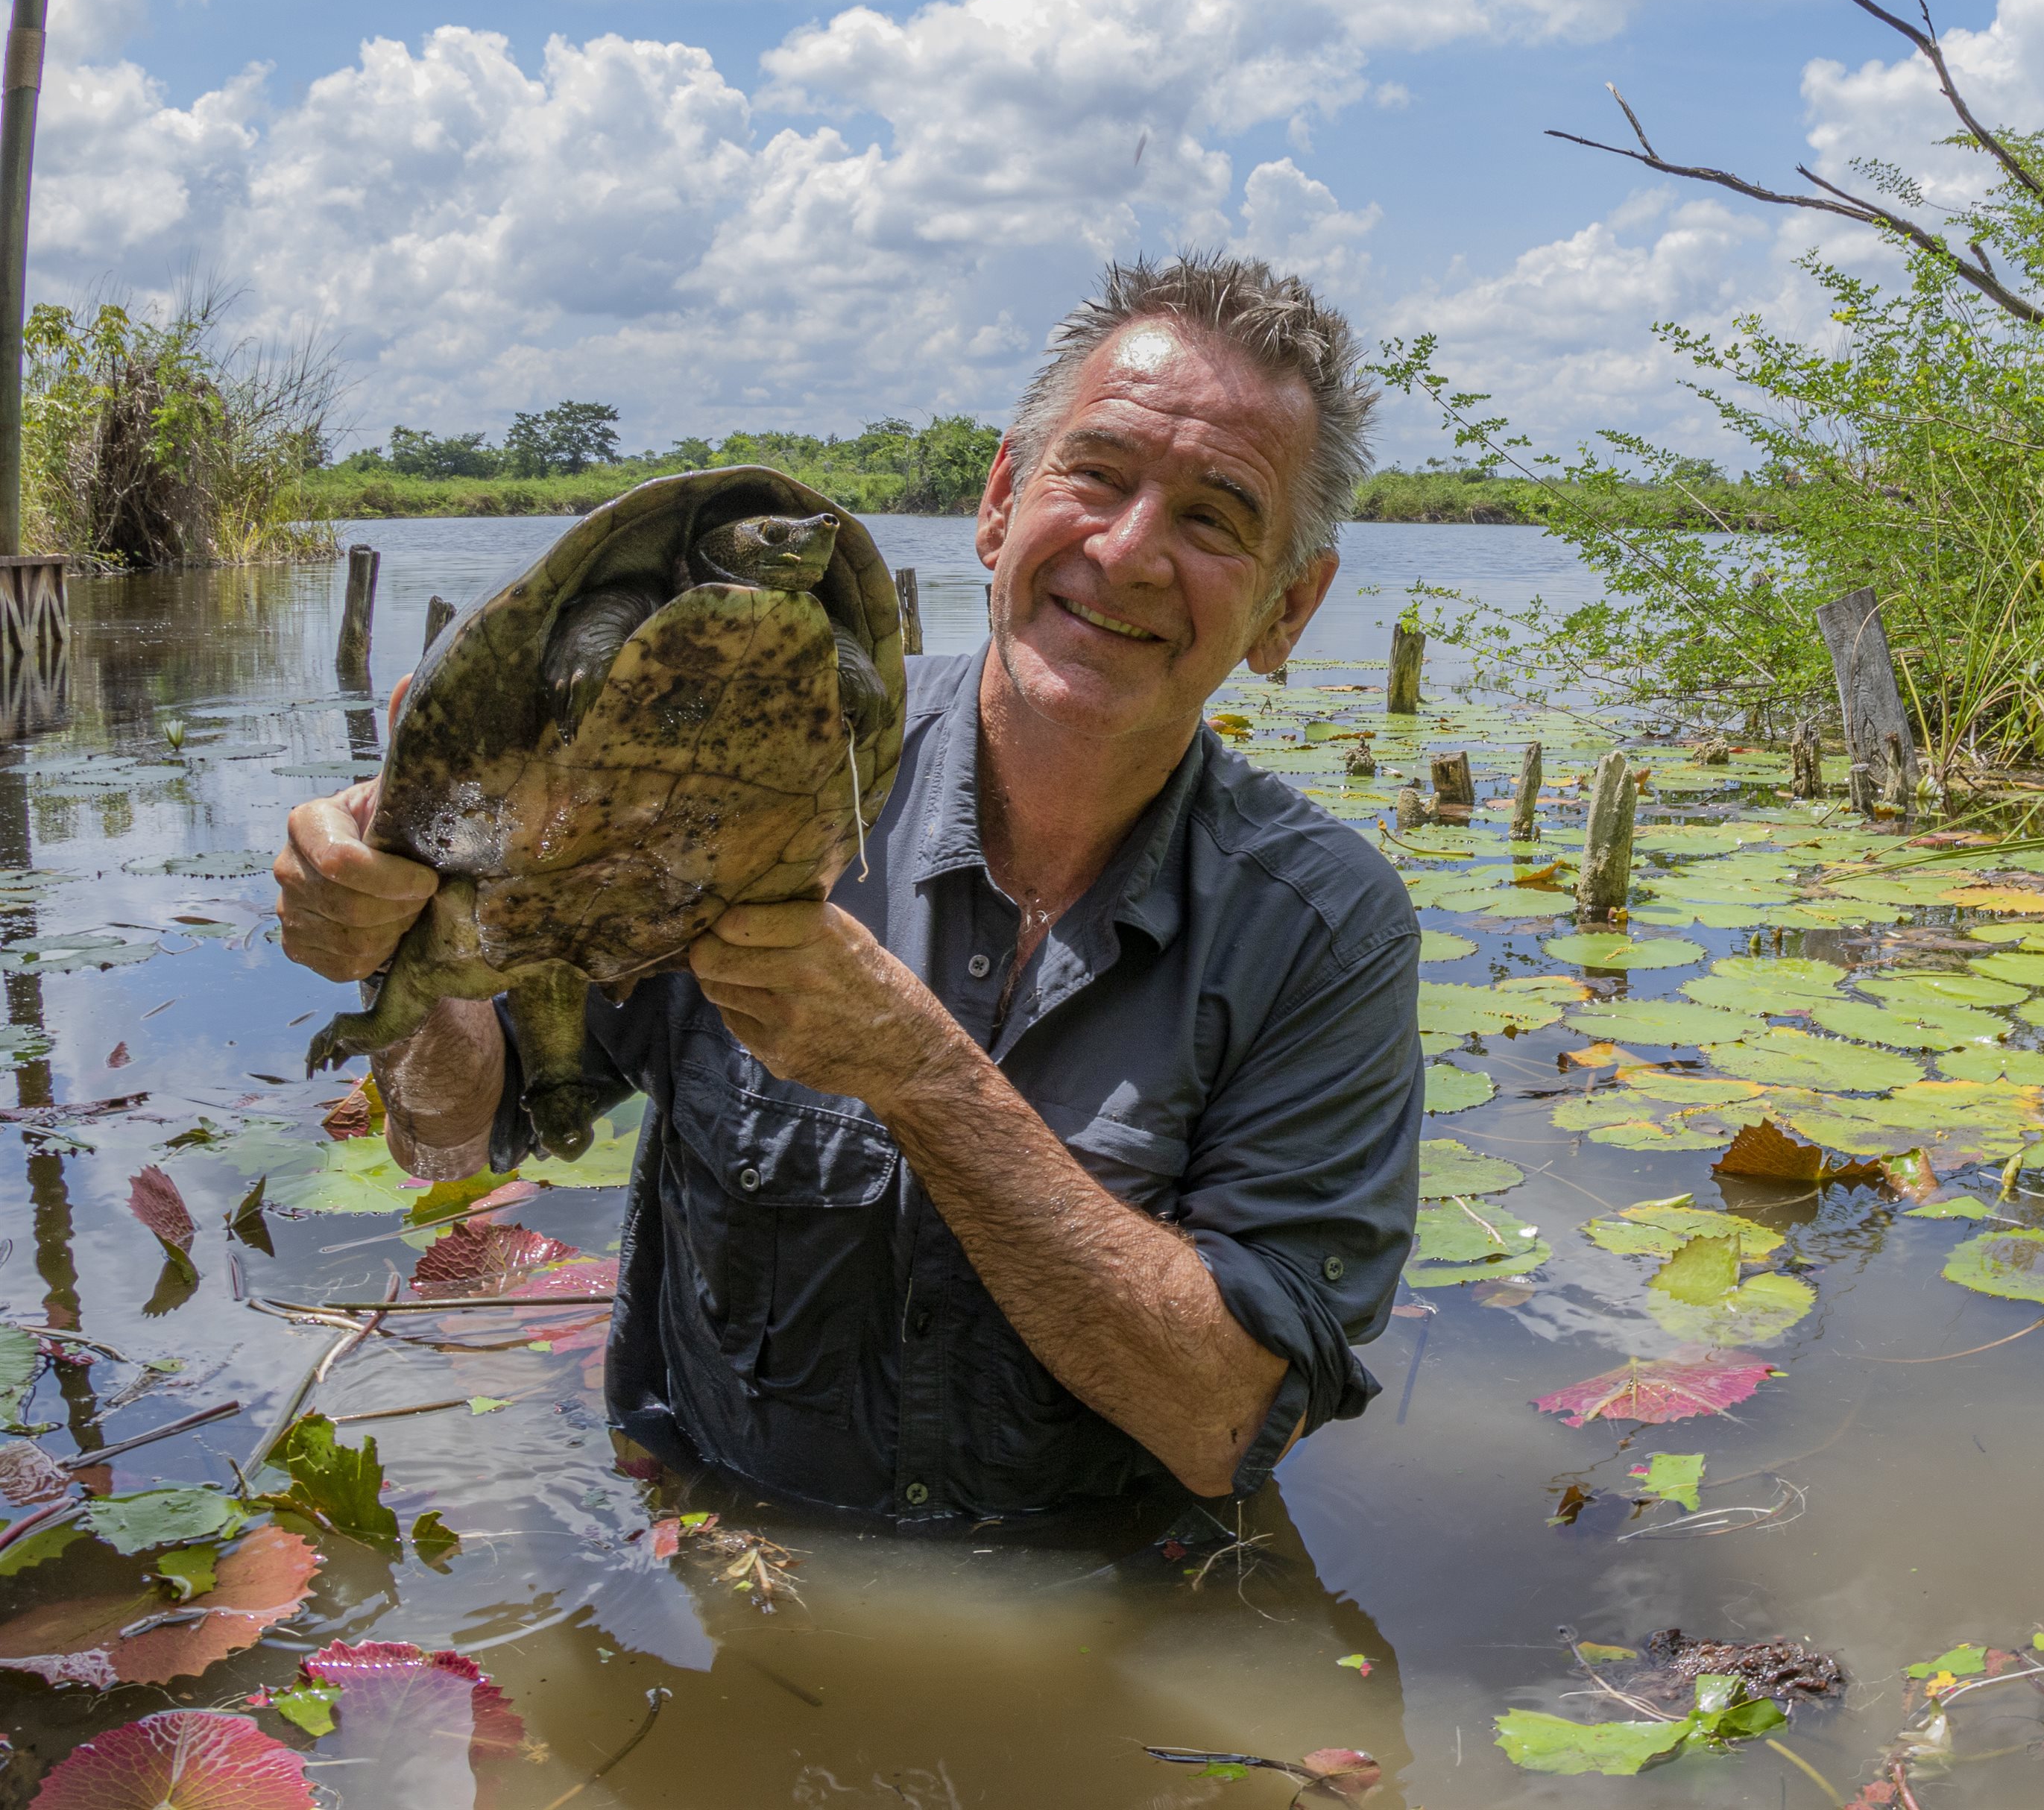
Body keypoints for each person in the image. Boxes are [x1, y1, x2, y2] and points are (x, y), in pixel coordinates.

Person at [272, 254, 1423, 1525]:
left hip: (1107, 1581)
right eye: (1094, 475)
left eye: (1216, 518)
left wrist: (924, 1077)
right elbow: (449, 1133)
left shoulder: (1325, 930)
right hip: (722, 1553)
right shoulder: (735, 771)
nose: (1132, 550)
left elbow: (1228, 1423)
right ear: (1000, 502)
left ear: (1289, 609)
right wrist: (411, 937)